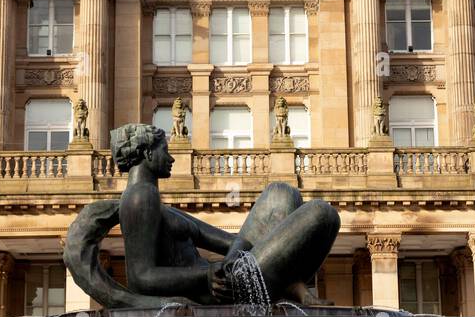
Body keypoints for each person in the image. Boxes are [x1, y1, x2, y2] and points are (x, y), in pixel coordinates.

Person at [113, 124, 337, 305]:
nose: (171, 158)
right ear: (147, 152)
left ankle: (288, 283)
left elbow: (232, 241)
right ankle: (288, 285)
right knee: (322, 214)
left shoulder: (159, 204)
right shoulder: (139, 197)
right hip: (219, 291)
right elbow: (140, 277)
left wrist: (231, 264)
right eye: (165, 150)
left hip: (228, 275)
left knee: (281, 192)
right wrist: (207, 275)